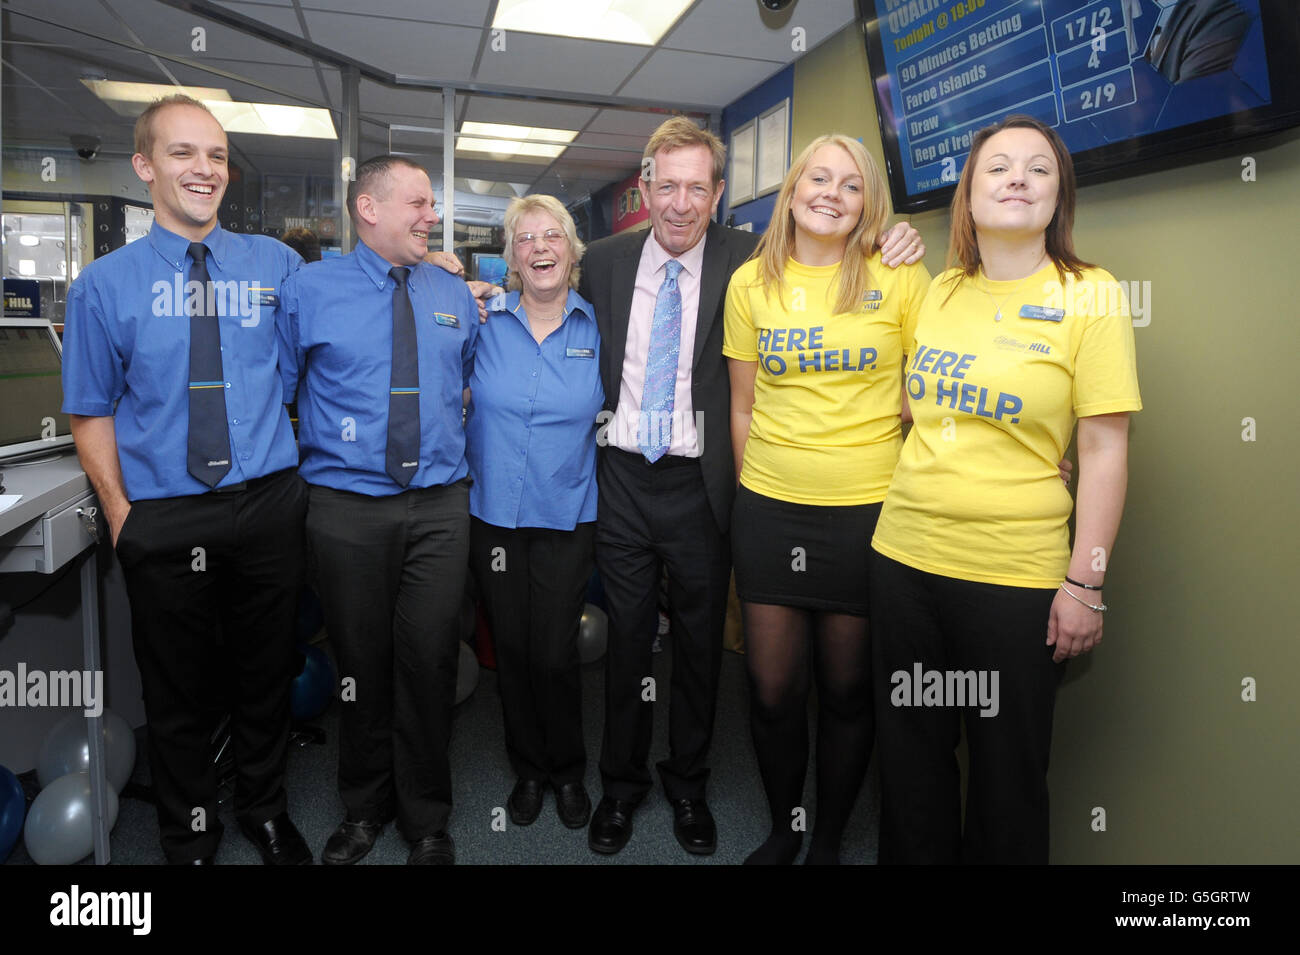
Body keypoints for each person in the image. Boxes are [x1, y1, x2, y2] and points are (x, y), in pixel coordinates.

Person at [578, 116, 925, 856]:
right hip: (624, 481)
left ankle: (690, 785)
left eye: (696, 187)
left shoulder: (748, 259)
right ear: (644, 188)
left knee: (702, 649)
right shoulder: (601, 262)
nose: (679, 202)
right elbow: (536, 283)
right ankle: (620, 786)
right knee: (630, 644)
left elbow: (908, 339)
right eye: (665, 185)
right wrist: (457, 275)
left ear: (719, 193)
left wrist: (899, 237)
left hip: (707, 487)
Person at [869, 114, 1141, 864]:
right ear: (969, 193)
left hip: (1014, 581)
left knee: (1006, 783)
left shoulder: (1093, 295)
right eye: (997, 167)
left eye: (1037, 168)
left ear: (1059, 196)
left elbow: (1104, 444)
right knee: (913, 764)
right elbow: (912, 403)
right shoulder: (940, 290)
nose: (1017, 177)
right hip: (903, 563)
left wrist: (1086, 581)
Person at [62, 94, 310, 865]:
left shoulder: (276, 265)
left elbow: (323, 345)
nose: (204, 169)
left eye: (216, 155)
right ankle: (190, 831)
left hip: (268, 505)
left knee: (266, 675)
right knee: (176, 693)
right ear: (145, 167)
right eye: (183, 153)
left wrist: (426, 265)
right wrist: (121, 514)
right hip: (165, 515)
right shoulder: (103, 286)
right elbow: (90, 408)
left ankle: (264, 809)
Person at [724, 134, 930, 865]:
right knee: (773, 687)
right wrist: (759, 495)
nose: (831, 194)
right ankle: (787, 826)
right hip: (770, 509)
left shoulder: (900, 275)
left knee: (847, 690)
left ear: (867, 204)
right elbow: (742, 407)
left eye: (851, 185)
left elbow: (925, 393)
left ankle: (831, 839)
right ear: (792, 189)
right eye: (819, 177)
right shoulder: (751, 284)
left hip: (868, 512)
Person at [279, 155, 479, 866]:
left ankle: (427, 817)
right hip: (346, 509)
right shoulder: (309, 289)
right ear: (369, 208)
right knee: (360, 661)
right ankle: (363, 808)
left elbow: (471, 383)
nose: (432, 215)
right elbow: (277, 390)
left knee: (429, 662)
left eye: (433, 205)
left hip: (439, 508)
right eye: (419, 203)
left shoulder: (450, 292)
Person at [465, 195, 602, 829]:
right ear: (511, 257)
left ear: (573, 252)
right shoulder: (482, 321)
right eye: (526, 238)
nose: (541, 247)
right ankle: (527, 769)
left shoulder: (600, 325)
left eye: (554, 236)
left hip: (566, 512)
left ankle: (568, 771)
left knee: (554, 652)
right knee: (512, 651)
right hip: (493, 512)